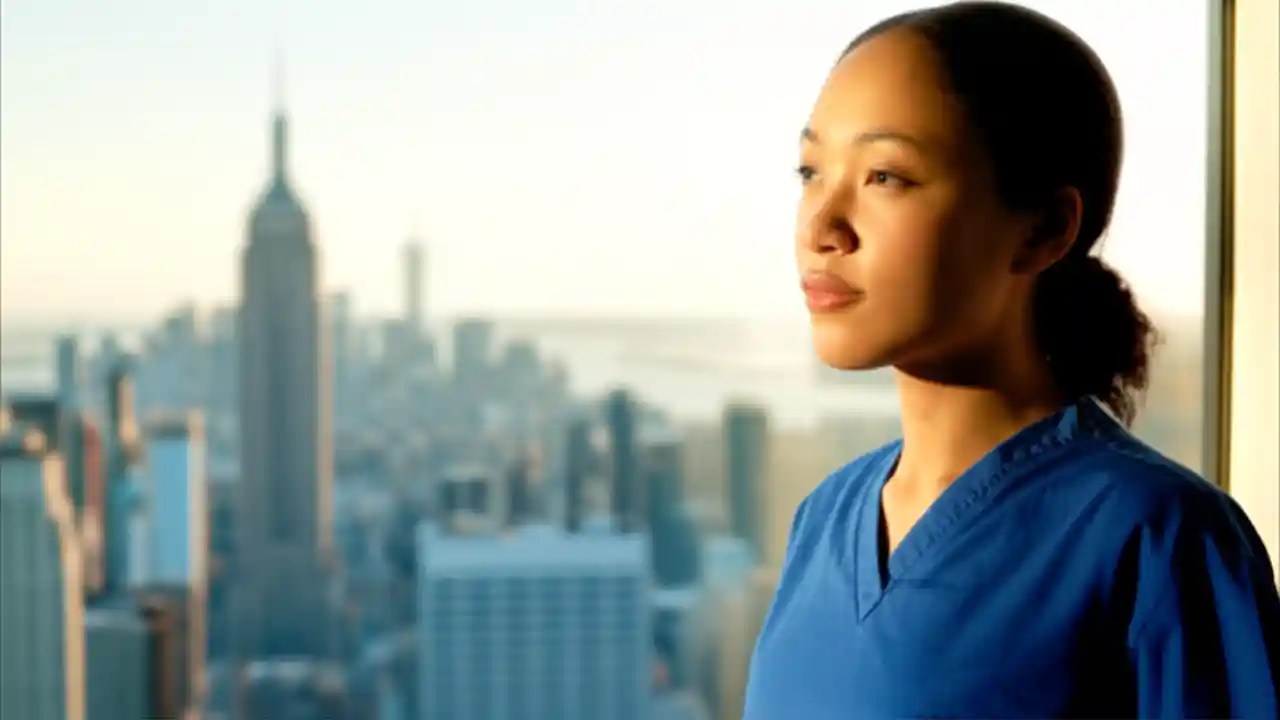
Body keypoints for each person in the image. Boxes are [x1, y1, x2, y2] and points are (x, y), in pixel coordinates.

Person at [741, 2, 1280, 718]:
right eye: (810, 171)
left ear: (1044, 229)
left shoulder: (1157, 536)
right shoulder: (824, 519)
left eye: (886, 177)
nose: (821, 227)